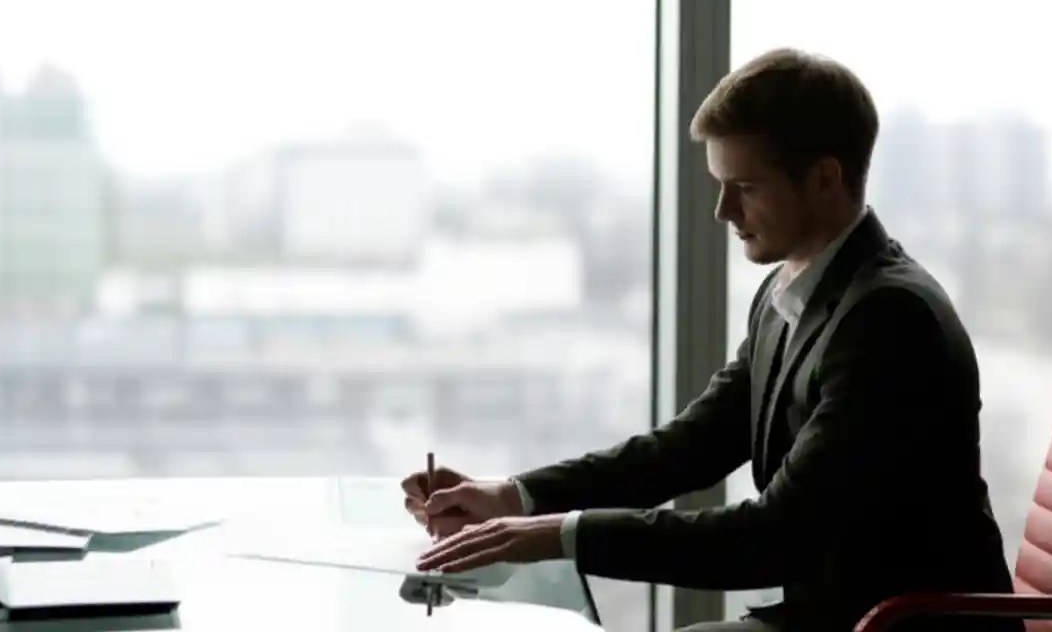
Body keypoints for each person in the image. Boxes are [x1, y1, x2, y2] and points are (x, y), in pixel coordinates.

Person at [403, 48, 1019, 632]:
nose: (723, 211)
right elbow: (688, 447)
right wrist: (516, 496)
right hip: (835, 613)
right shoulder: (793, 291)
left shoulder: (888, 319)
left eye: (745, 187)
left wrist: (554, 536)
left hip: (896, 626)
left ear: (826, 179)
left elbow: (773, 537)